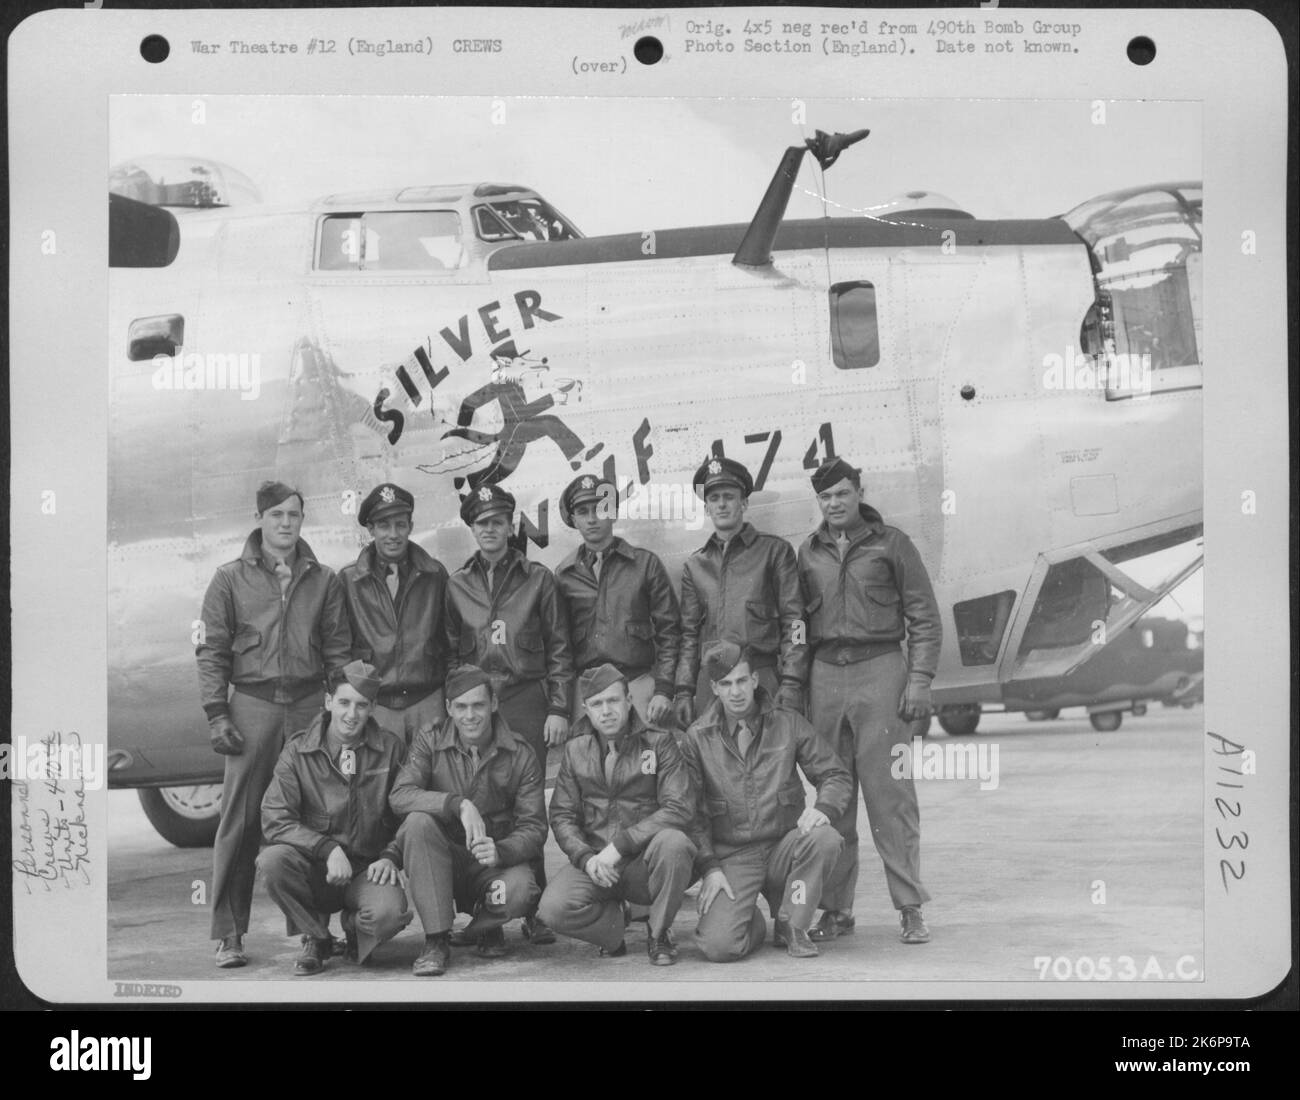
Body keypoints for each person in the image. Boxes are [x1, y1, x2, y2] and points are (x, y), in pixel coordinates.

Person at [196, 480, 352, 968]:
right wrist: (217, 712)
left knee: (314, 816)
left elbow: (337, 649)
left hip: (308, 706)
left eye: (295, 515)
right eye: (278, 515)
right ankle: (229, 933)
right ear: (260, 518)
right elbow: (211, 651)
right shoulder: (228, 579)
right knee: (240, 822)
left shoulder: (323, 579)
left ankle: (311, 932)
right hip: (254, 704)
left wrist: (336, 712)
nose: (287, 523)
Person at [796, 457, 942, 945]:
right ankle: (836, 909)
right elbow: (795, 626)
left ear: (859, 491)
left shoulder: (892, 544)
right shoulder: (808, 552)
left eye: (841, 493)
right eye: (825, 497)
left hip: (880, 669)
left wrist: (918, 679)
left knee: (891, 797)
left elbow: (923, 616)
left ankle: (910, 908)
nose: (834, 504)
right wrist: (796, 687)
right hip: (824, 675)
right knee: (832, 798)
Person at [442, 482, 573, 944]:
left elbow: (560, 647)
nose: (490, 530)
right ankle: (489, 905)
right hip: (478, 700)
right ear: (472, 529)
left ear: (510, 524)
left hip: (523, 698)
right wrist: (455, 708)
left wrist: (558, 706)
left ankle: (534, 907)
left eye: (498, 521)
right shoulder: (457, 584)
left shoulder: (538, 579)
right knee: (478, 795)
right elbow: (450, 654)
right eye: (482, 523)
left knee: (527, 804)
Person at [680, 642, 851, 961]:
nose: (736, 692)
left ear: (755, 680)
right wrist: (710, 867)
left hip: (784, 845)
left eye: (742, 681)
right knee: (720, 947)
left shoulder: (787, 723)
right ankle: (749, 919)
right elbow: (692, 813)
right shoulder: (697, 737)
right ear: (715, 688)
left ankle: (793, 923)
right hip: (734, 854)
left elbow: (835, 774)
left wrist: (823, 809)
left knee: (824, 838)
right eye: (726, 684)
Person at [388, 666, 546, 977]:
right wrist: (456, 804)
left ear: (494, 704)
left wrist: (501, 851)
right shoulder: (430, 741)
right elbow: (400, 795)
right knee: (418, 822)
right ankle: (436, 939)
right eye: (460, 707)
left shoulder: (520, 753)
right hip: (443, 861)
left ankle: (482, 926)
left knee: (520, 888)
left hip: (490, 865)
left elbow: (535, 827)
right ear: (448, 708)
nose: (469, 716)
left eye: (478, 705)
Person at [257, 661, 413, 975]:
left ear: (372, 708)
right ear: (328, 702)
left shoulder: (391, 749)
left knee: (388, 914)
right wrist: (327, 849)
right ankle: (316, 936)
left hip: (367, 870)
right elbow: (275, 817)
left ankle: (355, 928)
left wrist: (391, 856)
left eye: (361, 705)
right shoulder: (298, 751)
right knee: (272, 862)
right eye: (343, 702)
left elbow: (410, 813)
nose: (351, 715)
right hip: (317, 870)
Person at [538, 664, 696, 965]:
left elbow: (679, 808)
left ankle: (659, 933)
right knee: (553, 909)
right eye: (597, 704)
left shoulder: (659, 742)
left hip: (644, 863)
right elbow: (561, 815)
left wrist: (621, 845)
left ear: (628, 701)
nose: (606, 711)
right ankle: (612, 929)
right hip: (598, 865)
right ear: (586, 709)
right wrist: (585, 858)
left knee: (675, 843)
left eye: (613, 701)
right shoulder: (575, 750)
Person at [674, 457, 805, 729]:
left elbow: (797, 622)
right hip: (712, 683)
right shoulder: (695, 565)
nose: (721, 504)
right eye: (714, 498)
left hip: (761, 676)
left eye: (729, 497)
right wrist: (685, 690)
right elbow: (688, 635)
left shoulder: (774, 552)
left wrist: (792, 681)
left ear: (744, 503)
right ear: (707, 507)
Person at [554, 473, 680, 726]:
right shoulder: (564, 575)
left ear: (612, 513)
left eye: (600, 509)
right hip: (589, 690)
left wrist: (664, 688)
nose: (592, 518)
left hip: (638, 684)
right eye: (582, 511)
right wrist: (562, 707)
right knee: (590, 760)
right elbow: (560, 647)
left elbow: (670, 631)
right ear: (574, 520)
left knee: (648, 758)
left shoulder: (645, 565)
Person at [340, 482, 449, 743]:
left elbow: (450, 639)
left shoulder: (435, 575)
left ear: (410, 527)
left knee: (434, 780)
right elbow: (339, 645)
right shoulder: (348, 580)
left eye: (400, 525)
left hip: (427, 701)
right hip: (378, 705)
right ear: (370, 529)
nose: (393, 534)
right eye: (384, 526)